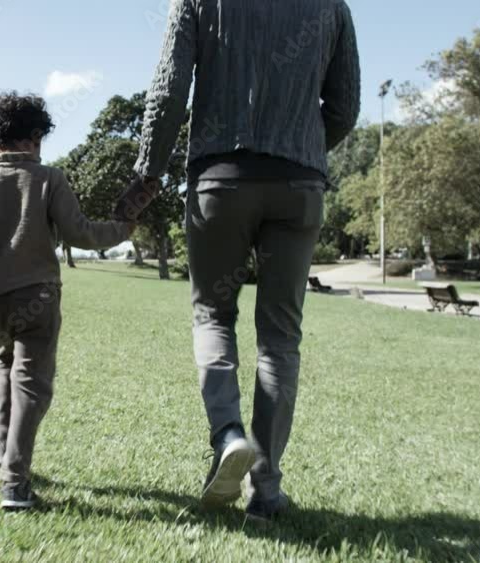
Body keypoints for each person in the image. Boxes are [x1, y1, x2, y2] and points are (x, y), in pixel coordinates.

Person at [125, 0, 360, 520]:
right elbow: (343, 108)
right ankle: (266, 489)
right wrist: (303, 147)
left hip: (220, 180)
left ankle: (229, 434)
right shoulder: (333, 7)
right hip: (299, 185)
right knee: (280, 337)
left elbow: (168, 91)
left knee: (213, 315)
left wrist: (148, 171)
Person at [0, 92, 135, 511]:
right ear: (37, 137)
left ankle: (0, 446)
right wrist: (122, 228)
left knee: (6, 363)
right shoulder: (49, 179)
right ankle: (14, 483)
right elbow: (80, 234)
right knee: (32, 382)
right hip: (39, 296)